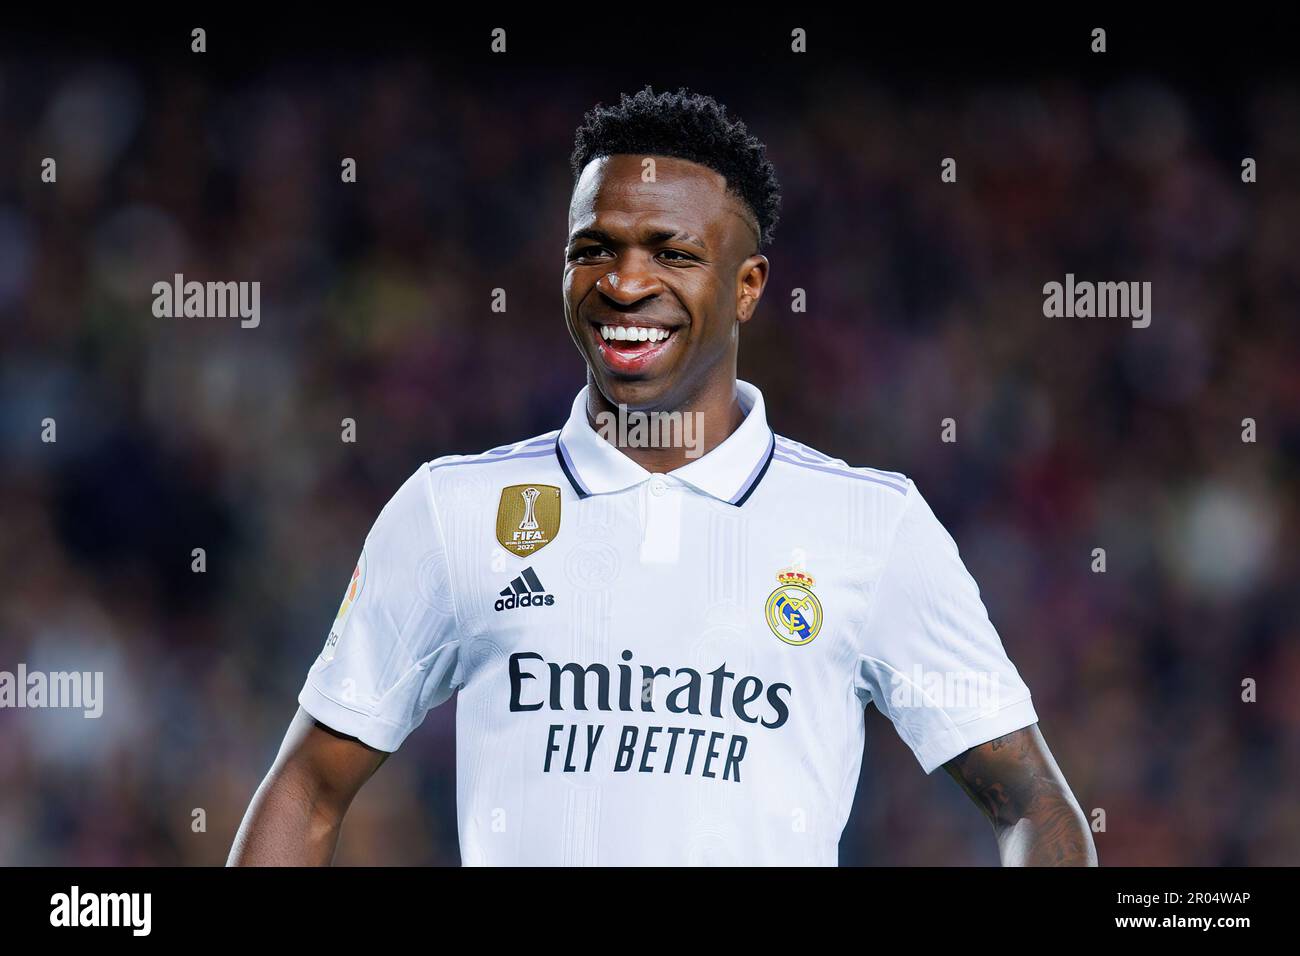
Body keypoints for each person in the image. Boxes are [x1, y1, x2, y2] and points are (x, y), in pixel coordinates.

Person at [229, 87, 1096, 866]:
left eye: (671, 253)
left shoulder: (871, 526)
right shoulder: (454, 510)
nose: (625, 281)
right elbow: (308, 788)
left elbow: (1031, 805)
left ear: (748, 285)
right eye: (593, 248)